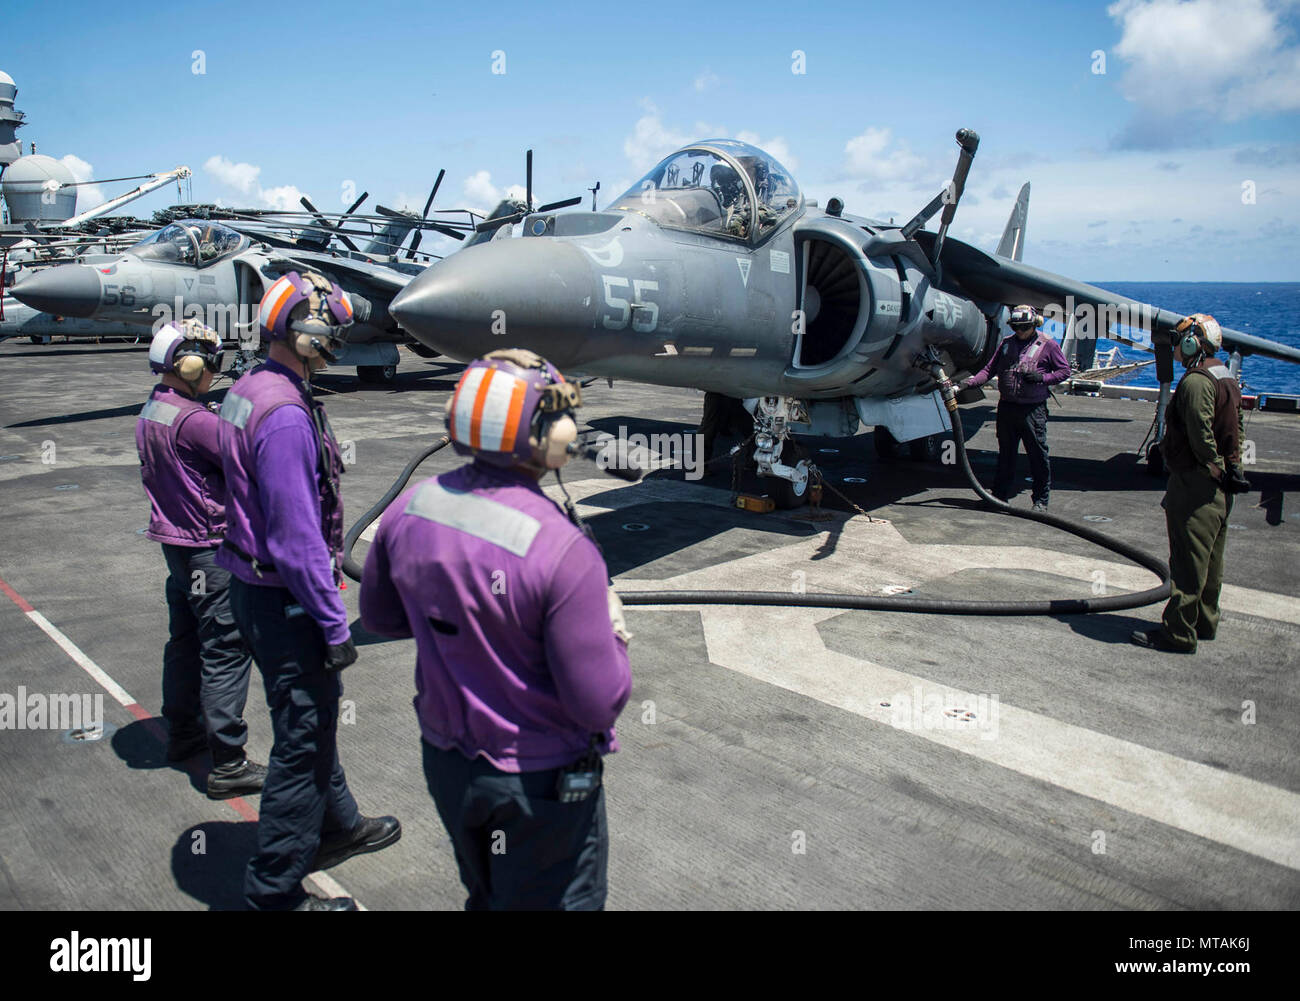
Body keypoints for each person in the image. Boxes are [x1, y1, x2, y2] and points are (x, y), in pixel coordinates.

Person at [360, 349, 632, 911]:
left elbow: (383, 620)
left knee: (485, 893)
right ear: (537, 434)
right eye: (558, 415)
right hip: (538, 783)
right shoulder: (564, 551)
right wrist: (614, 634)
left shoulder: (411, 507)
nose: (570, 428)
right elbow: (599, 703)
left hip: (448, 765)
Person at [218, 271, 400, 911]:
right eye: (332, 331)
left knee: (310, 723)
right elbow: (297, 540)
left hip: (249, 584)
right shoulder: (287, 415)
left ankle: (338, 826)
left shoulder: (246, 391)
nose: (338, 343)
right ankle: (273, 891)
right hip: (286, 597)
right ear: (305, 330)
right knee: (301, 742)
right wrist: (332, 626)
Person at [135, 319, 265, 800]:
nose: (214, 370)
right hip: (211, 549)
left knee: (186, 642)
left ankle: (185, 734)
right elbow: (247, 456)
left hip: (178, 548)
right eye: (210, 363)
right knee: (225, 650)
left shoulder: (155, 409)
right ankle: (229, 763)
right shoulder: (193, 420)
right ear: (188, 365)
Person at [1132, 314, 1246, 654]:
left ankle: (1178, 634)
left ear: (1194, 341)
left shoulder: (1195, 382)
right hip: (1221, 481)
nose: (1177, 346)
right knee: (1211, 560)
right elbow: (1236, 427)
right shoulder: (1225, 374)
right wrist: (1231, 467)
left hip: (1197, 483)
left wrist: (1209, 466)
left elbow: (1200, 432)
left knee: (1188, 560)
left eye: (1182, 338)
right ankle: (1205, 622)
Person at [959, 304, 1071, 510]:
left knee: (1037, 456)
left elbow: (1064, 371)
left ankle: (1040, 501)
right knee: (1006, 455)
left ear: (1034, 324)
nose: (1020, 331)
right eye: (1016, 327)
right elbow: (988, 370)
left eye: (1024, 327)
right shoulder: (1006, 344)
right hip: (1007, 408)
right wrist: (968, 383)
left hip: (1032, 410)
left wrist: (1042, 378)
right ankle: (999, 496)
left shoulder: (1048, 345)